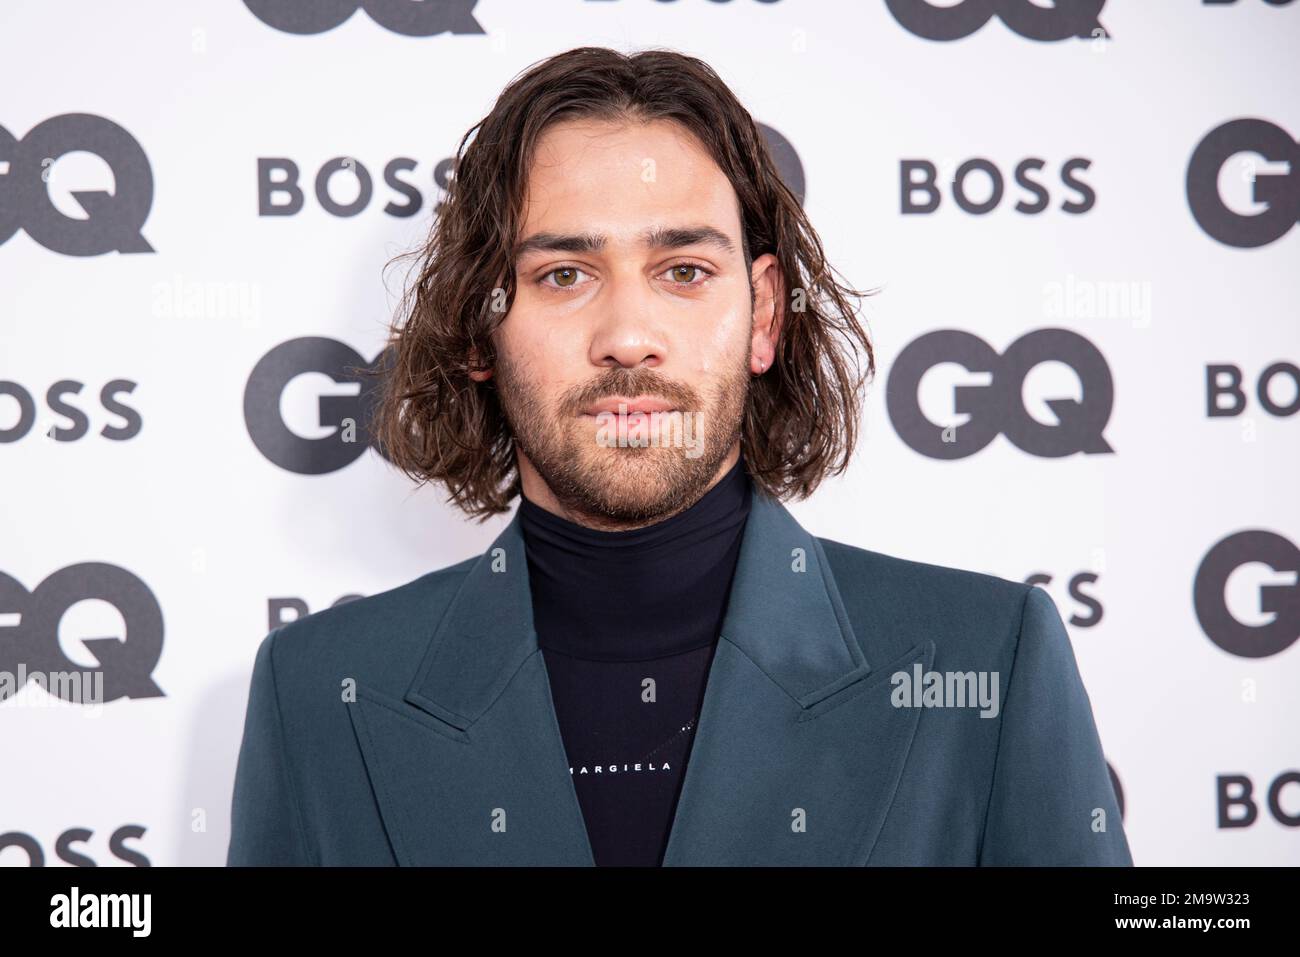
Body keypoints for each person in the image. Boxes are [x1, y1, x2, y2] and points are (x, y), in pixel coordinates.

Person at [226, 46, 1132, 867]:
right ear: (479, 326)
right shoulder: (318, 695)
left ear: (764, 314)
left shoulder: (988, 660)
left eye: (684, 271)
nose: (628, 336)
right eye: (563, 275)